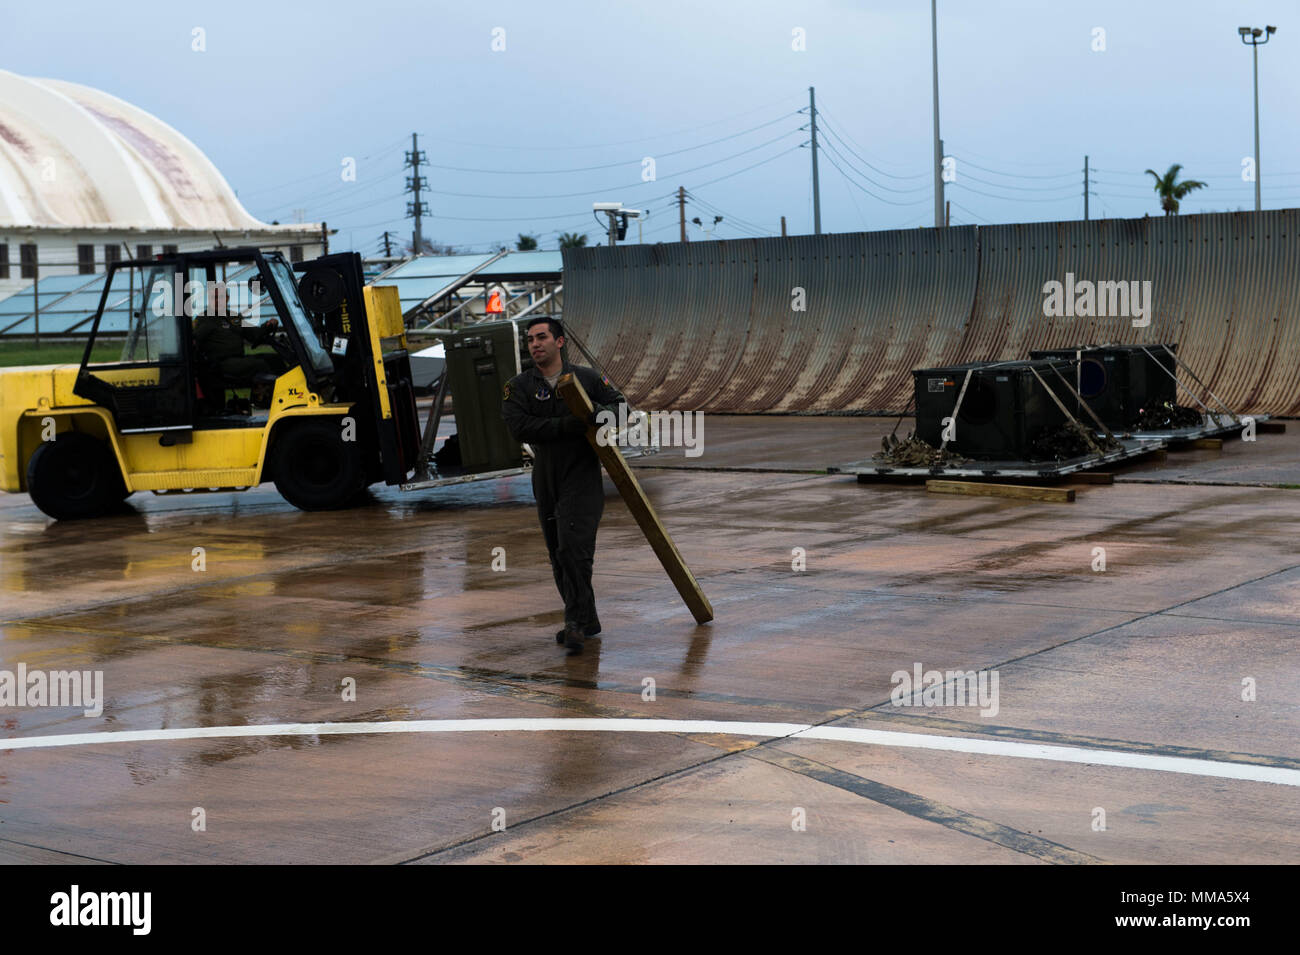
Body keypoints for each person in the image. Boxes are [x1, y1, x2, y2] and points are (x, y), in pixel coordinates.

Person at [501, 317, 626, 655]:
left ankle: (575, 622)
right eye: (530, 340)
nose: (534, 344)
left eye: (541, 337)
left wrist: (596, 413)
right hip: (545, 474)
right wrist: (568, 425)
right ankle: (587, 619)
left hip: (582, 472)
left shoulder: (585, 378)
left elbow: (622, 409)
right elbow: (519, 426)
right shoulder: (519, 386)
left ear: (559, 342)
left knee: (574, 546)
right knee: (558, 552)